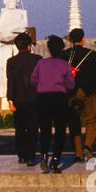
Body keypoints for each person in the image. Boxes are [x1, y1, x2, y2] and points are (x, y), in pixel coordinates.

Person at [30, 35, 77, 172]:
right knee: (60, 130)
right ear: (62, 49)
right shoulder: (65, 65)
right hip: (59, 98)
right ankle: (56, 159)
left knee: (45, 129)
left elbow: (33, 80)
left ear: (49, 49)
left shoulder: (41, 63)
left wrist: (43, 84)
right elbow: (71, 84)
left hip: (43, 98)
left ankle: (44, 156)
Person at [5, 32, 42, 164]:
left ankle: (21, 155)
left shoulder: (11, 62)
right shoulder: (38, 59)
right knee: (33, 129)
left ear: (17, 46)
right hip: (35, 99)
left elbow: (11, 83)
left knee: (20, 129)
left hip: (18, 100)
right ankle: (31, 156)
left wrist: (10, 101)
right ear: (29, 46)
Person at [68, 27, 96, 162]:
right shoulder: (91, 54)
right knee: (90, 120)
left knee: (74, 122)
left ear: (70, 40)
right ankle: (88, 146)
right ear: (83, 39)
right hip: (89, 91)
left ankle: (78, 151)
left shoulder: (66, 55)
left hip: (71, 92)